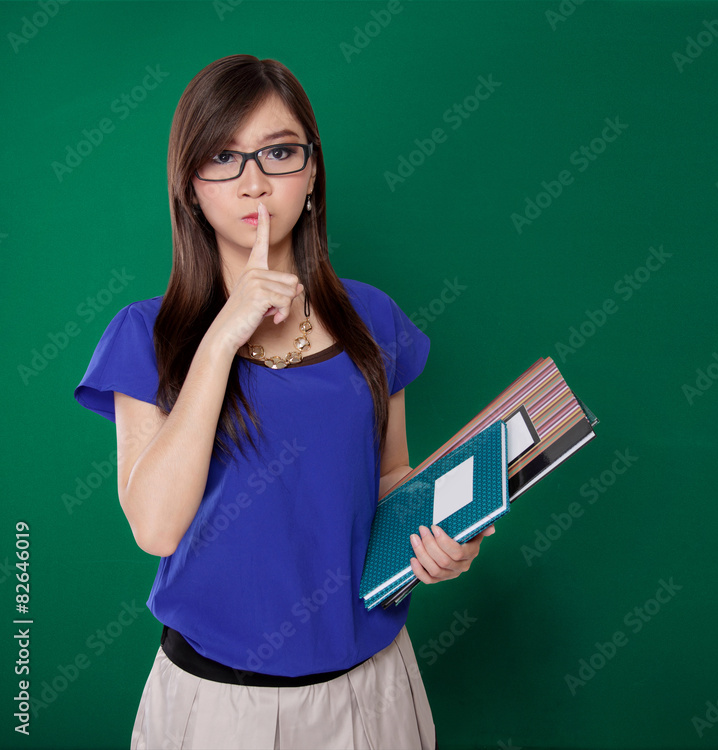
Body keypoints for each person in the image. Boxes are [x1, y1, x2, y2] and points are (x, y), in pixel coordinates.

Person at [73, 54, 494, 750]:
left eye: (279, 152)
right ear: (190, 186)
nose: (255, 181)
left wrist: (450, 534)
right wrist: (221, 340)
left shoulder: (374, 319)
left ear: (312, 172)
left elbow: (389, 479)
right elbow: (155, 528)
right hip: (216, 704)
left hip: (374, 689)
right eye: (223, 157)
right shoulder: (145, 335)